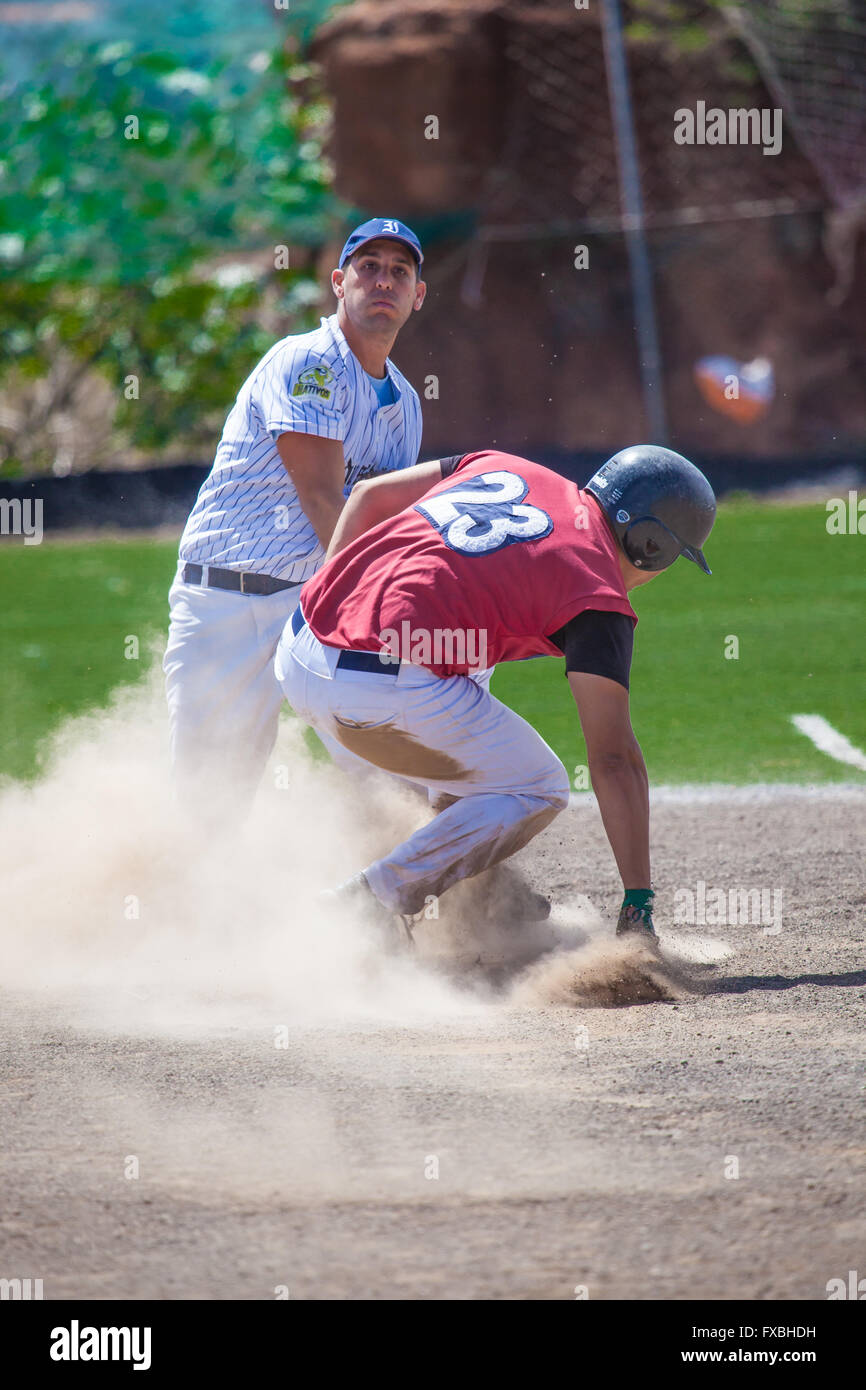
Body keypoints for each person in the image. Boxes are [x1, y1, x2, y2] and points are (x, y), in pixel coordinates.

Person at [274, 444, 716, 947]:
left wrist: (340, 608)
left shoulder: (506, 463)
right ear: (649, 544)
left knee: (471, 676)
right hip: (373, 688)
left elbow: (371, 496)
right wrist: (638, 901)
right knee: (538, 786)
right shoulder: (598, 596)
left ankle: (477, 891)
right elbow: (614, 760)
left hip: (299, 646)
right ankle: (370, 901)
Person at [163, 217, 426, 807]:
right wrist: (385, 602)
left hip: (312, 601)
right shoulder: (308, 363)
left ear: (417, 295)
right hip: (228, 606)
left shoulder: (406, 403)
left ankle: (439, 890)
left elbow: (382, 519)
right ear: (339, 282)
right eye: (368, 267)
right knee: (207, 801)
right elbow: (322, 499)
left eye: (399, 272)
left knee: (387, 757)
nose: (382, 281)